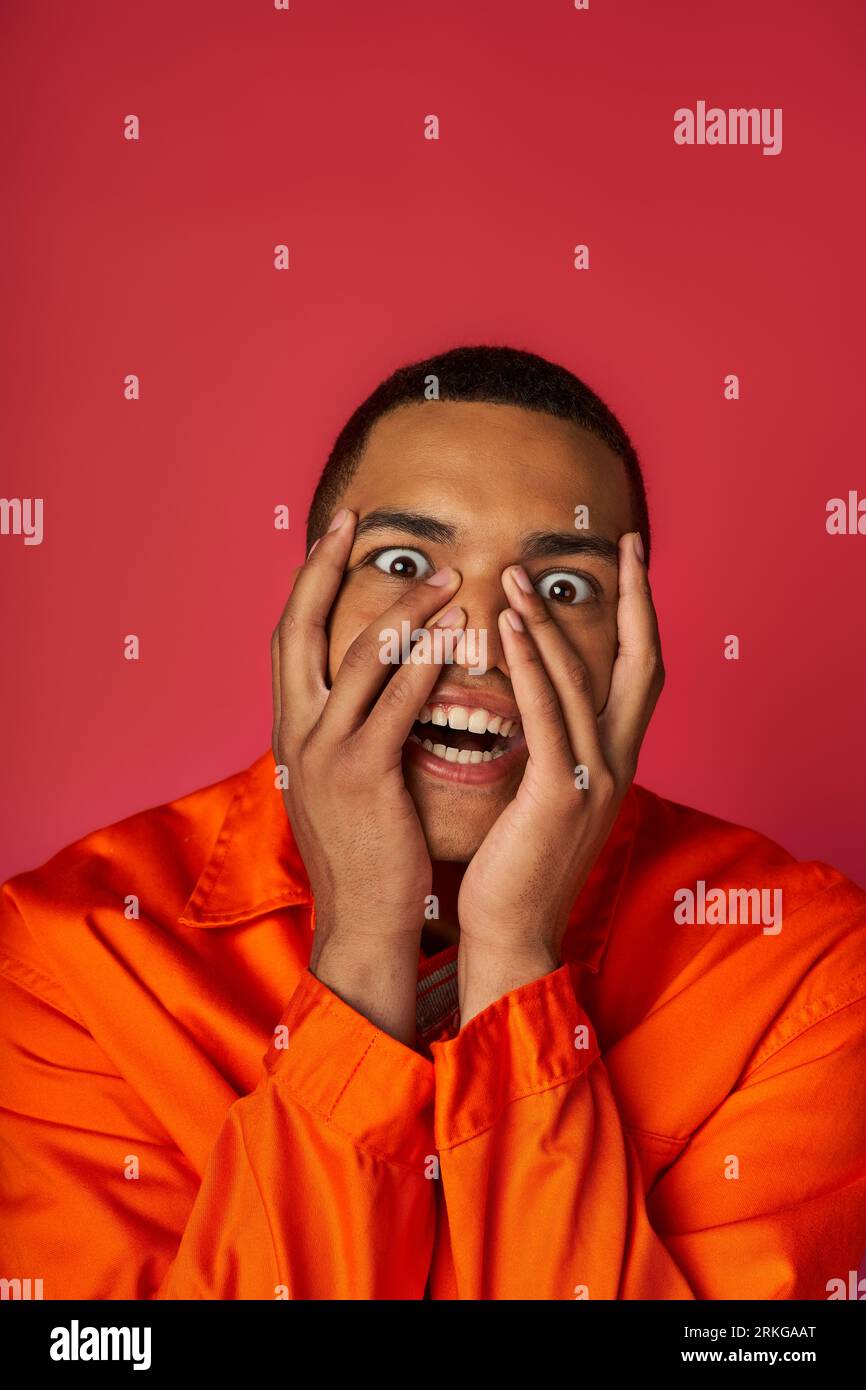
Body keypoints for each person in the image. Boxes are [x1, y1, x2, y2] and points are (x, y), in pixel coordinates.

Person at [1, 345, 864, 1301]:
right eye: (406, 563)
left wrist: (514, 961)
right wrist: (363, 947)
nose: (481, 643)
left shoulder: (806, 974)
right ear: (307, 617)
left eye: (564, 587)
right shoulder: (66, 965)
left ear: (633, 654)